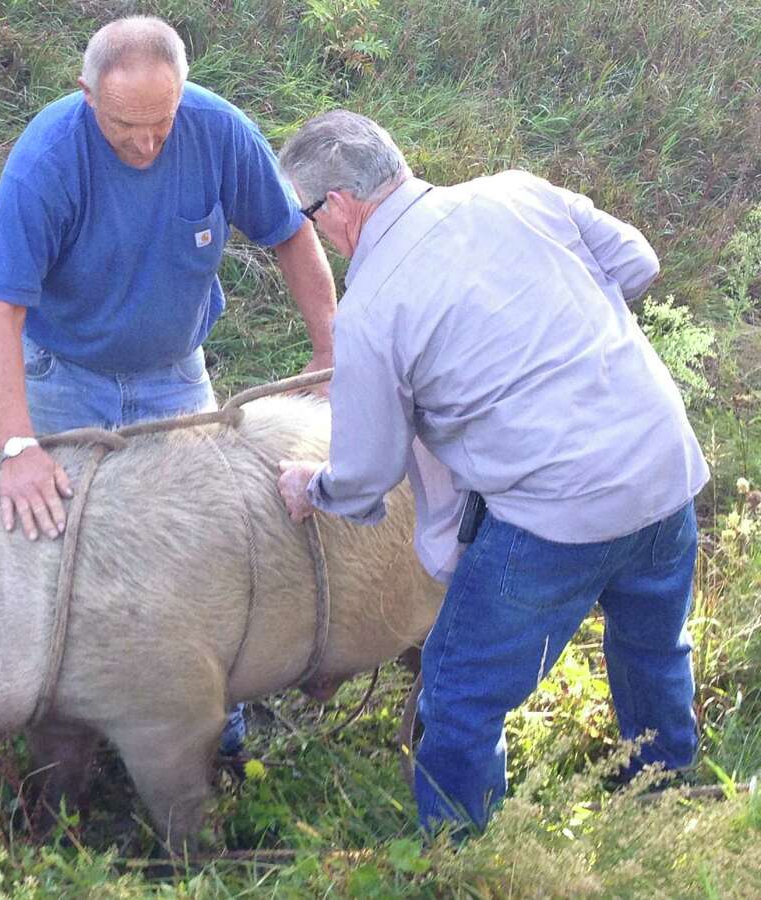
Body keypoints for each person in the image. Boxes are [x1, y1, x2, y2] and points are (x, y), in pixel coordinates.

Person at [273, 110, 708, 835]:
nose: (316, 229)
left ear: (339, 206)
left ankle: (461, 856)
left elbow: (367, 474)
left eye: (310, 215)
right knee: (652, 647)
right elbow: (638, 263)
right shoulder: (518, 191)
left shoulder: (372, 310)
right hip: (663, 468)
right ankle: (664, 802)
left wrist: (310, 487)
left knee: (461, 693)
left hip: (555, 517)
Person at [0, 16, 337, 755]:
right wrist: (17, 447)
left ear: (183, 94)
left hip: (174, 377)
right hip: (66, 380)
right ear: (85, 96)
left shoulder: (218, 131)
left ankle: (214, 732)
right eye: (124, 126)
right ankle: (64, 744)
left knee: (200, 553)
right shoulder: (46, 160)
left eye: (161, 124)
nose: (145, 143)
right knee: (59, 554)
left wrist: (333, 360)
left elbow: (292, 237)